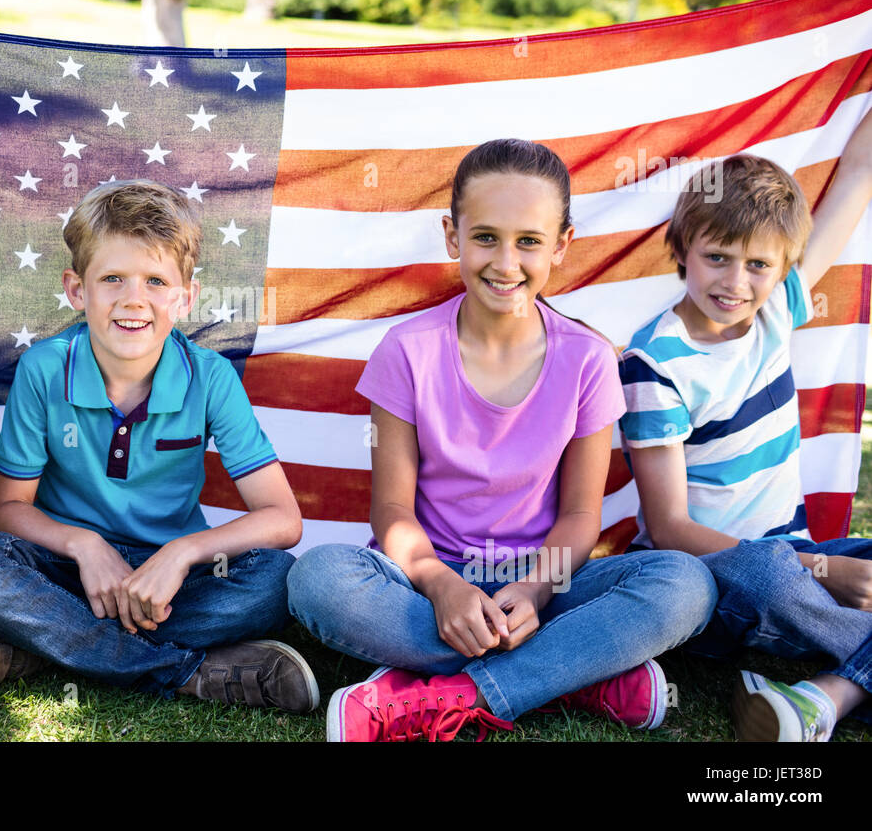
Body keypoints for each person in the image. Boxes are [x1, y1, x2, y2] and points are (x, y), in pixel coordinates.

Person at [286, 138, 717, 742]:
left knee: (684, 584)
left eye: (529, 242)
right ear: (451, 236)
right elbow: (391, 511)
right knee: (318, 581)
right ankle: (578, 675)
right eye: (485, 237)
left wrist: (535, 592)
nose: (506, 262)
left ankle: (450, 694)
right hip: (425, 581)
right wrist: (442, 587)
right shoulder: (407, 352)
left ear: (562, 244)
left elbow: (578, 516)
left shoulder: (589, 360)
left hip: (545, 583)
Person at [0, 179, 319, 713]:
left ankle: (38, 645)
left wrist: (180, 553)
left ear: (186, 297)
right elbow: (5, 510)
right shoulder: (46, 369)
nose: (133, 299)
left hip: (170, 581)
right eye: (112, 278)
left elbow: (283, 519)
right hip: (64, 566)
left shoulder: (210, 378)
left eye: (156, 281)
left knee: (276, 581)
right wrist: (85, 547)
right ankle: (185, 673)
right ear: (77, 289)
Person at [620, 111, 872, 742]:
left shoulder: (777, 309)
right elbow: (670, 528)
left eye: (759, 265)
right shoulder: (655, 365)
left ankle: (828, 695)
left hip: (797, 554)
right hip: (720, 581)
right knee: (771, 571)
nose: (736, 282)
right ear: (682, 251)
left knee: (808, 563)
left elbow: (860, 174)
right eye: (717, 258)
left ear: (783, 266)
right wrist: (823, 572)